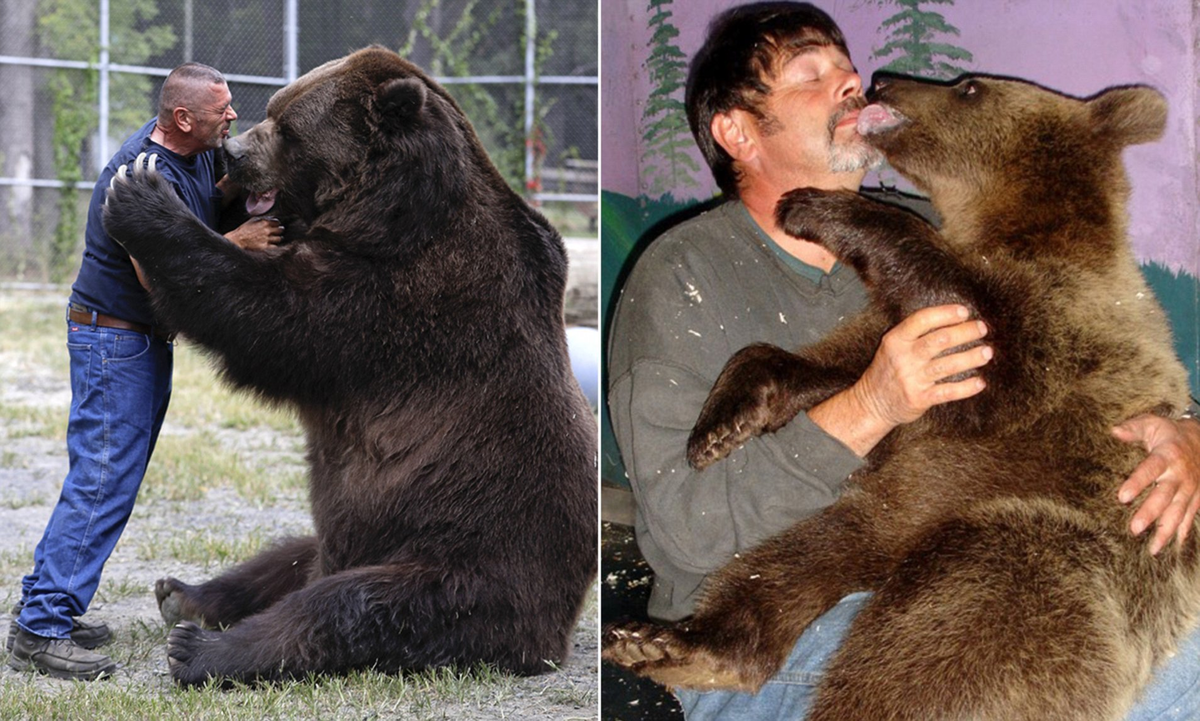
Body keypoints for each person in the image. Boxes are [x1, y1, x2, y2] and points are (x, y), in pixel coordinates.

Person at [606, 2, 1200, 718]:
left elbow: (1031, 363)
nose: (856, 81)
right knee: (1008, 610)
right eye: (812, 73)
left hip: (942, 573)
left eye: (847, 66)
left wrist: (1191, 435)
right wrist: (869, 406)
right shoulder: (682, 274)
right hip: (787, 619)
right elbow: (683, 529)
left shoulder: (916, 242)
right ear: (737, 131)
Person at [6, 62, 282, 681]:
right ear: (184, 118)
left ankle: (47, 601)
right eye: (222, 109)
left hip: (139, 342)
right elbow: (161, 281)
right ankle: (41, 629)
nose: (232, 117)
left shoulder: (203, 156)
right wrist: (238, 243)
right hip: (114, 341)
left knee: (105, 479)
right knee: (102, 482)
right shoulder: (139, 178)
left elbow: (218, 199)